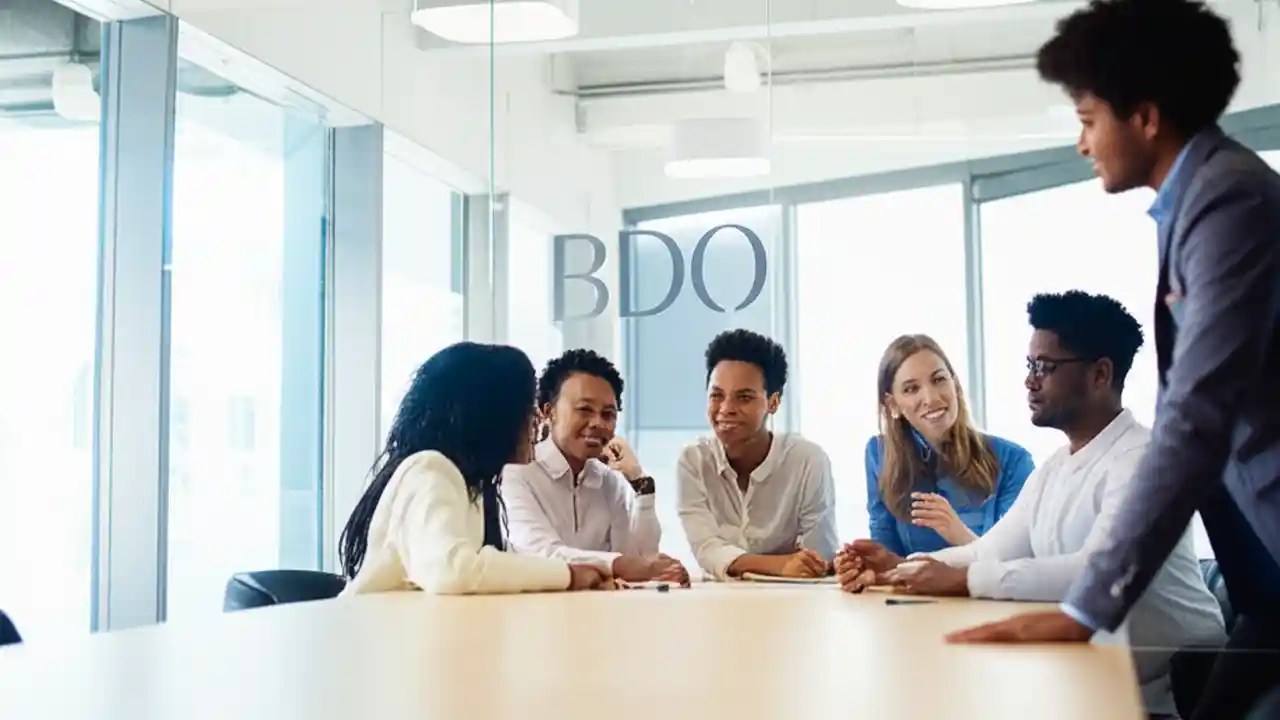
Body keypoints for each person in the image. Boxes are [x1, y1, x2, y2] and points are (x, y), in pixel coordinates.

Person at [947, 3, 1280, 719]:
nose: (1081, 143)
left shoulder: (1229, 201)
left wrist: (1084, 610)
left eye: (1089, 119)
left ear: (1146, 117)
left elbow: (1197, 414)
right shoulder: (1197, 200)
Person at [840, 292, 1225, 717]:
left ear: (1100, 374)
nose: (1029, 381)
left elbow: (1094, 574)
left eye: (1045, 367)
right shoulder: (1055, 468)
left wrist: (964, 579)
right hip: (1091, 678)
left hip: (1173, 693)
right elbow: (987, 551)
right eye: (1030, 366)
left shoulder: (1140, 460)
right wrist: (900, 569)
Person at [339, 342, 612, 595]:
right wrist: (567, 575)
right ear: (493, 415)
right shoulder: (430, 470)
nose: (537, 420)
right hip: (372, 629)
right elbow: (453, 570)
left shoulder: (473, 486)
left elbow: (487, 567)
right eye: (527, 408)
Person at [504, 349, 689, 584]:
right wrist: (620, 565)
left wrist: (640, 482)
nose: (597, 423)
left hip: (597, 604)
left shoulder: (608, 482)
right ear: (549, 411)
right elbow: (539, 552)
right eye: (584, 410)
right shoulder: (517, 473)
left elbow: (639, 560)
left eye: (608, 414)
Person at [677, 329, 839, 581]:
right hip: (717, 596)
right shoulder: (693, 460)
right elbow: (706, 549)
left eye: (744, 398)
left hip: (794, 595)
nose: (726, 409)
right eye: (717, 395)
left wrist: (797, 565)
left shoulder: (807, 460)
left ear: (773, 402)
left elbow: (818, 556)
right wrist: (781, 565)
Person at [865, 334, 1034, 556]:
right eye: (911, 389)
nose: (931, 398)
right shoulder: (879, 453)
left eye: (938, 380)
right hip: (910, 581)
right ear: (892, 404)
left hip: (983, 580)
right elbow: (886, 550)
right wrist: (867, 565)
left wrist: (959, 535)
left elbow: (1017, 562)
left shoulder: (1013, 460)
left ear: (955, 384)